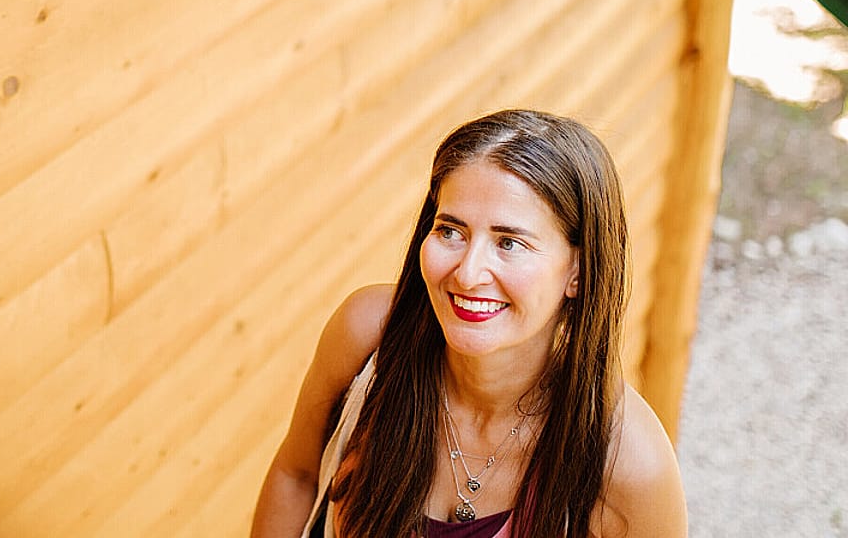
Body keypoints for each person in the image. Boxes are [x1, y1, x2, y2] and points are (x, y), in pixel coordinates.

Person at [250, 109, 687, 538]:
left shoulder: (629, 463)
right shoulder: (366, 336)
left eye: (509, 243)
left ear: (577, 270)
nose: (467, 272)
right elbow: (297, 475)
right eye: (451, 232)